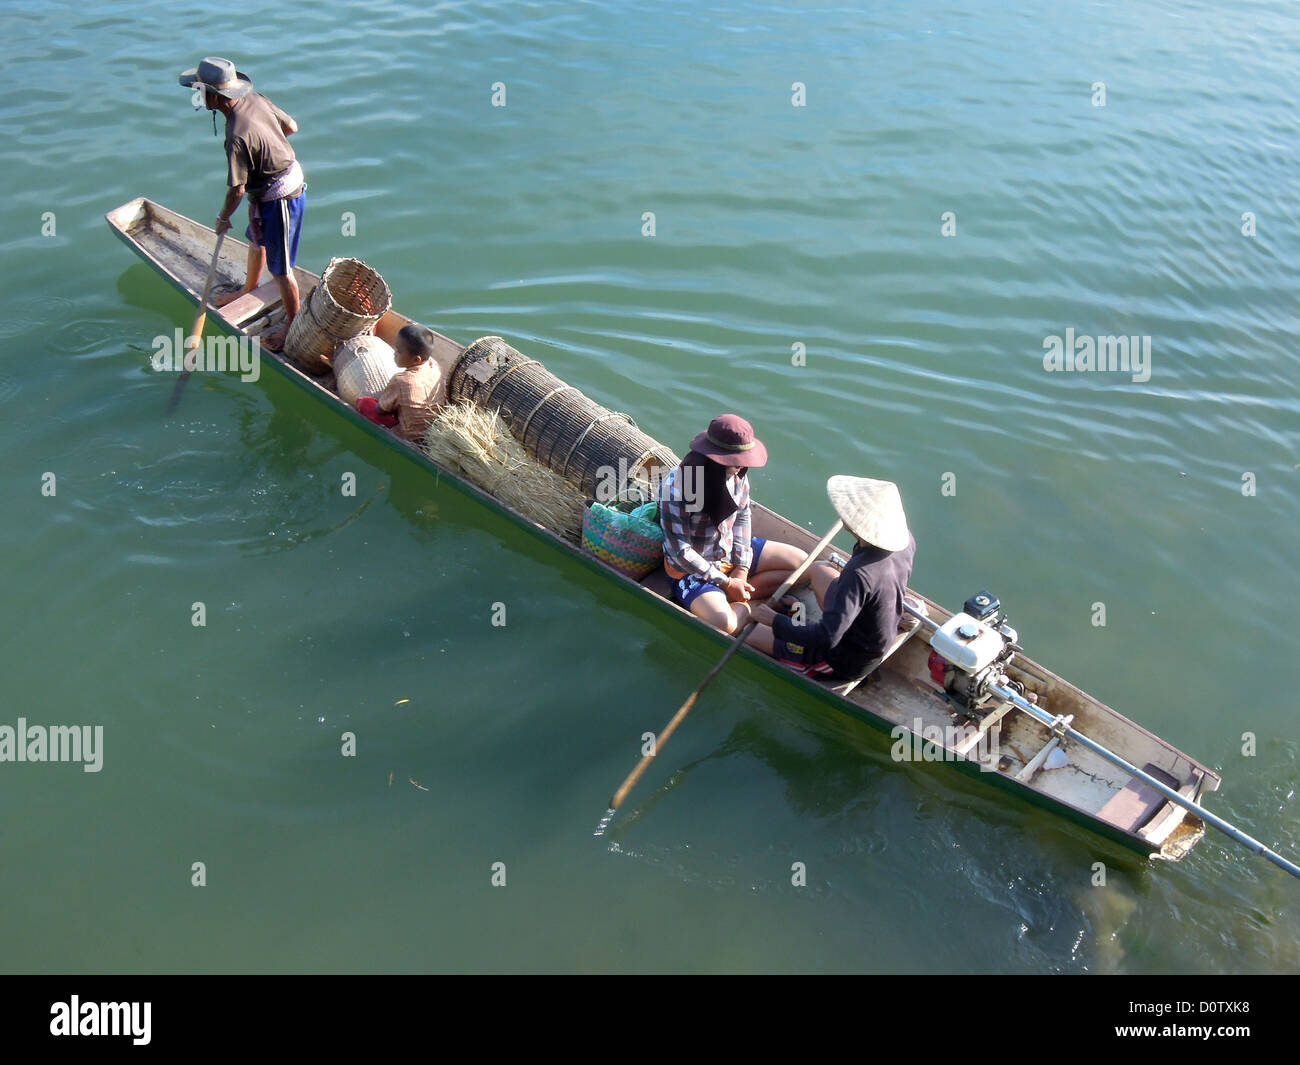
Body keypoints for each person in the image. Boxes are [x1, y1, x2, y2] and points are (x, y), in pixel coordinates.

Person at [178, 57, 306, 352]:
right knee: (256, 240)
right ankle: (249, 288)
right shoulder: (256, 99)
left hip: (282, 196)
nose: (196, 95)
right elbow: (292, 127)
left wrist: (223, 218)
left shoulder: (236, 136)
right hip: (267, 189)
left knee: (282, 269)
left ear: (215, 96)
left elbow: (237, 190)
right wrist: (268, 147)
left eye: (199, 90)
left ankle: (292, 324)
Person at [750, 475, 917, 681]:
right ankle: (782, 607)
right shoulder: (906, 540)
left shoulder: (860, 573)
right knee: (819, 569)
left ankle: (788, 632)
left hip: (842, 659)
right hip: (871, 625)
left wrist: (775, 621)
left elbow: (826, 638)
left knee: (747, 632)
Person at [658, 414, 809, 634]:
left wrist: (741, 568)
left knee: (803, 565)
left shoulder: (737, 474)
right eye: (734, 461)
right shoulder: (678, 488)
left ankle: (735, 596)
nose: (740, 467)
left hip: (728, 552)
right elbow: (680, 552)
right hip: (692, 569)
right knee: (724, 624)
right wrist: (725, 582)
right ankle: (746, 605)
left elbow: (743, 516)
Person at [356, 324, 444, 442]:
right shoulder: (434, 365)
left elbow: (381, 409)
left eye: (398, 351)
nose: (394, 353)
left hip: (412, 436)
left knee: (365, 402)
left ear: (416, 360)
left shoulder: (401, 381)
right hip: (433, 427)